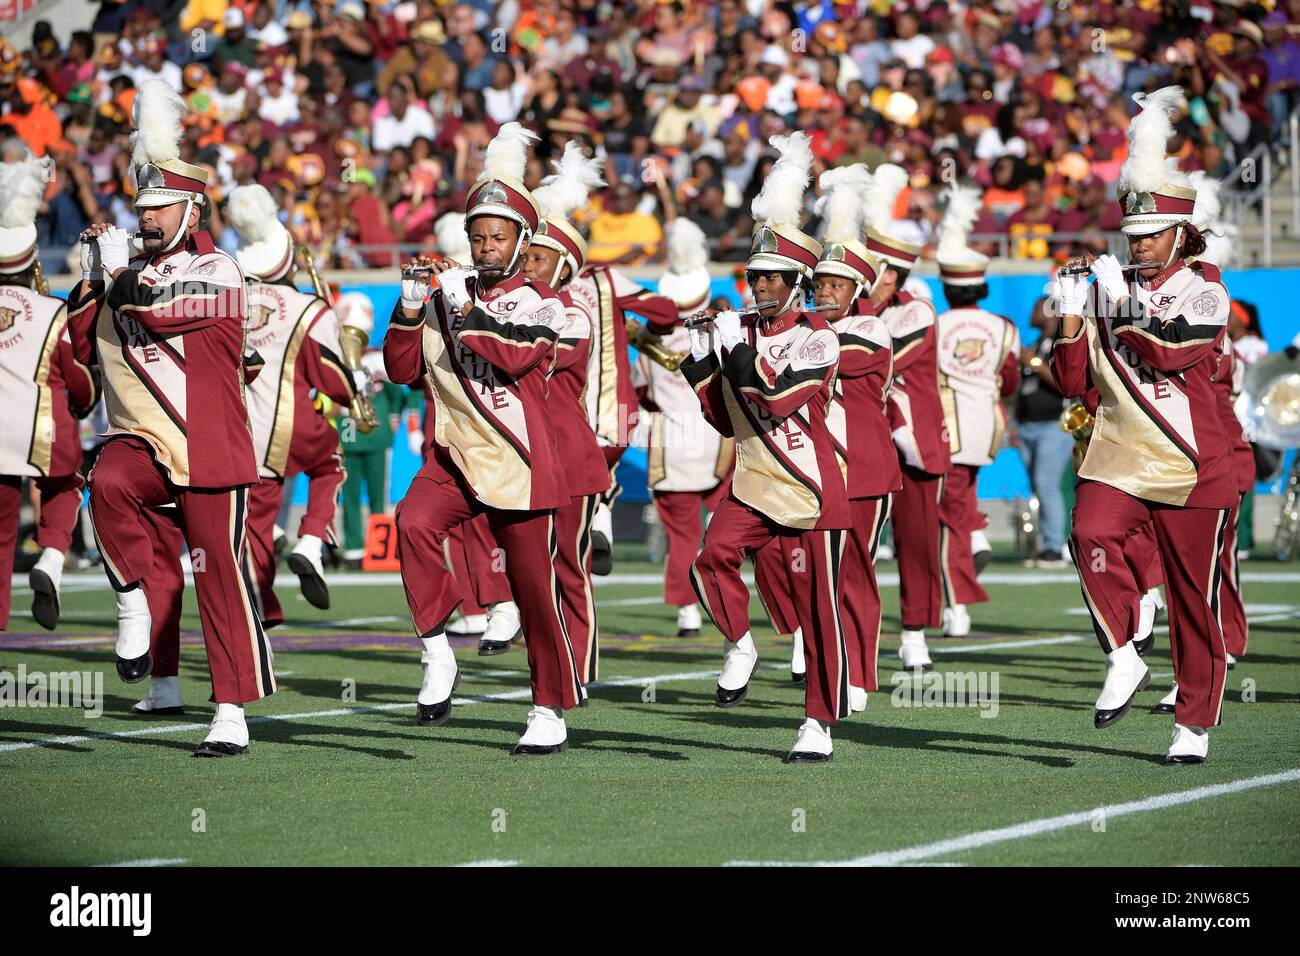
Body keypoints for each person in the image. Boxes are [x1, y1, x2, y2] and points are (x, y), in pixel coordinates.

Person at [68, 81, 273, 757]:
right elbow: (80, 344)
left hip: (211, 451)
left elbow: (156, 310)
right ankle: (131, 602)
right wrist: (91, 278)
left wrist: (119, 275)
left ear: (192, 209)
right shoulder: (134, 268)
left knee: (219, 578)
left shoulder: (221, 268)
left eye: (160, 208)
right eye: (142, 208)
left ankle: (232, 712)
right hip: (146, 440)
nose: (147, 218)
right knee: (111, 483)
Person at [383, 122, 584, 755]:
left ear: (523, 243)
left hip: (522, 461)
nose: (486, 245)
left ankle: (548, 706)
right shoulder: (449, 293)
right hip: (456, 452)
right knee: (412, 522)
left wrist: (463, 310)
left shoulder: (548, 302)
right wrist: (411, 305)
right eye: (477, 236)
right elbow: (401, 369)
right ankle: (439, 648)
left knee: (532, 591)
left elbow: (515, 356)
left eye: (499, 236)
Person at [1052, 87, 1236, 765]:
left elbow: (1171, 350)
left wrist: (1120, 301)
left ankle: (1193, 725)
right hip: (1122, 455)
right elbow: (1073, 382)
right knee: (1089, 532)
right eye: (1132, 236)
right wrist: (1071, 314)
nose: (1139, 246)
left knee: (1194, 601)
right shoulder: (1109, 284)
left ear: (1182, 234)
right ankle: (1124, 652)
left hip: (1192, 462)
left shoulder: (1207, 288)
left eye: (1152, 235)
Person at [683, 132, 849, 763]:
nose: (761, 288)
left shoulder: (819, 337)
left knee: (817, 605)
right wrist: (703, 361)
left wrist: (737, 352)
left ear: (799, 280)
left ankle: (818, 723)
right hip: (754, 482)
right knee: (711, 558)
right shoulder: (739, 328)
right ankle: (741, 642)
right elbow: (727, 422)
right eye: (756, 277)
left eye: (774, 278)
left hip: (809, 486)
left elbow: (778, 402)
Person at [228, 184, 358, 623]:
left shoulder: (224, 304)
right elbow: (333, 378)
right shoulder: (308, 308)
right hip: (294, 422)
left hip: (242, 430)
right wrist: (354, 396)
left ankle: (264, 607)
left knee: (255, 523)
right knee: (331, 465)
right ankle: (312, 539)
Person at [812, 164, 900, 712]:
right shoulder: (809, 327)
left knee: (854, 572)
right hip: (819, 471)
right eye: (819, 283)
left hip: (864, 471)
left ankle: (860, 673)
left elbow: (824, 360)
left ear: (857, 290)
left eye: (836, 285)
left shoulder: (870, 329)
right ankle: (823, 657)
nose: (824, 292)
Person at [520, 141, 609, 682]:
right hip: (526, 460)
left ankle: (577, 663)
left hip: (570, 461)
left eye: (538, 259)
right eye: (526, 256)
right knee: (530, 572)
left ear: (565, 267)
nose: (527, 265)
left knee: (567, 569)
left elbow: (533, 359)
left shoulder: (572, 314)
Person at [0, 153, 97, 633]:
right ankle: (52, 556)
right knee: (65, 484)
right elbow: (76, 377)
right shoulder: (51, 312)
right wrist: (85, 399)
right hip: (42, 431)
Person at [865, 164, 951, 671]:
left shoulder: (915, 311)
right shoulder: (846, 312)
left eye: (874, 270)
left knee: (917, 544)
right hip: (863, 443)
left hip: (913, 442)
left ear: (893, 276)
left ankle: (914, 632)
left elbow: (878, 363)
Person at [636, 218, 733, 637]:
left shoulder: (647, 343)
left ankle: (687, 612)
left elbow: (643, 394)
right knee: (727, 526)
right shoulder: (722, 333)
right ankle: (725, 598)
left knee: (680, 535)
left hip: (672, 444)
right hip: (717, 442)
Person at [568, 206, 677, 576]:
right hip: (615, 415)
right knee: (596, 471)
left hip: (562, 416)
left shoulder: (528, 287)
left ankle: (596, 518)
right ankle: (601, 517)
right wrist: (644, 334)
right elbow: (664, 311)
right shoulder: (605, 279)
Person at [933, 183, 1020, 637]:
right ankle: (978, 533)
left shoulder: (935, 324)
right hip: (988, 427)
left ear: (948, 288)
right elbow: (1011, 378)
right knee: (960, 498)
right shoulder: (1003, 326)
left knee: (947, 517)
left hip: (946, 430)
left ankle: (957, 607)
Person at [1013, 294, 1074, 566]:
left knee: (1047, 485)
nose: (1032, 311)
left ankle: (1054, 546)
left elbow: (1064, 384)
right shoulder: (1035, 345)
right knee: (1039, 486)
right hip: (1027, 425)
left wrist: (1034, 364)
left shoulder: (1059, 345)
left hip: (1053, 425)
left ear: (1052, 312)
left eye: (1038, 307)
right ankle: (1048, 543)